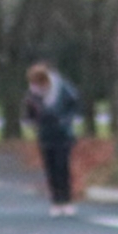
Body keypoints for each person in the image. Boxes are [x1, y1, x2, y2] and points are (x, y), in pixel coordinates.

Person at [23, 62, 83, 216]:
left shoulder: (62, 89)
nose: (37, 87)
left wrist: (66, 121)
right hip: (45, 134)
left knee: (62, 167)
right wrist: (33, 122)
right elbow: (29, 113)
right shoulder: (33, 94)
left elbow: (73, 105)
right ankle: (56, 201)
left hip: (62, 133)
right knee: (50, 169)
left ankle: (66, 200)